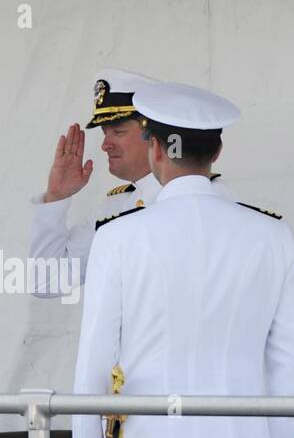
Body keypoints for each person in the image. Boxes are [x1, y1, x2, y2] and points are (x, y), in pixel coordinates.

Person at [71, 82, 294, 438]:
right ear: (217, 152)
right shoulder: (270, 234)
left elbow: (94, 359)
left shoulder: (120, 236)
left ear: (155, 148)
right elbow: (291, 356)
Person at [28, 68, 234, 297]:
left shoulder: (212, 197)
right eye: (105, 133)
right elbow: (45, 282)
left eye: (118, 132)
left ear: (154, 137)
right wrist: (56, 197)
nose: (105, 145)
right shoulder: (116, 206)